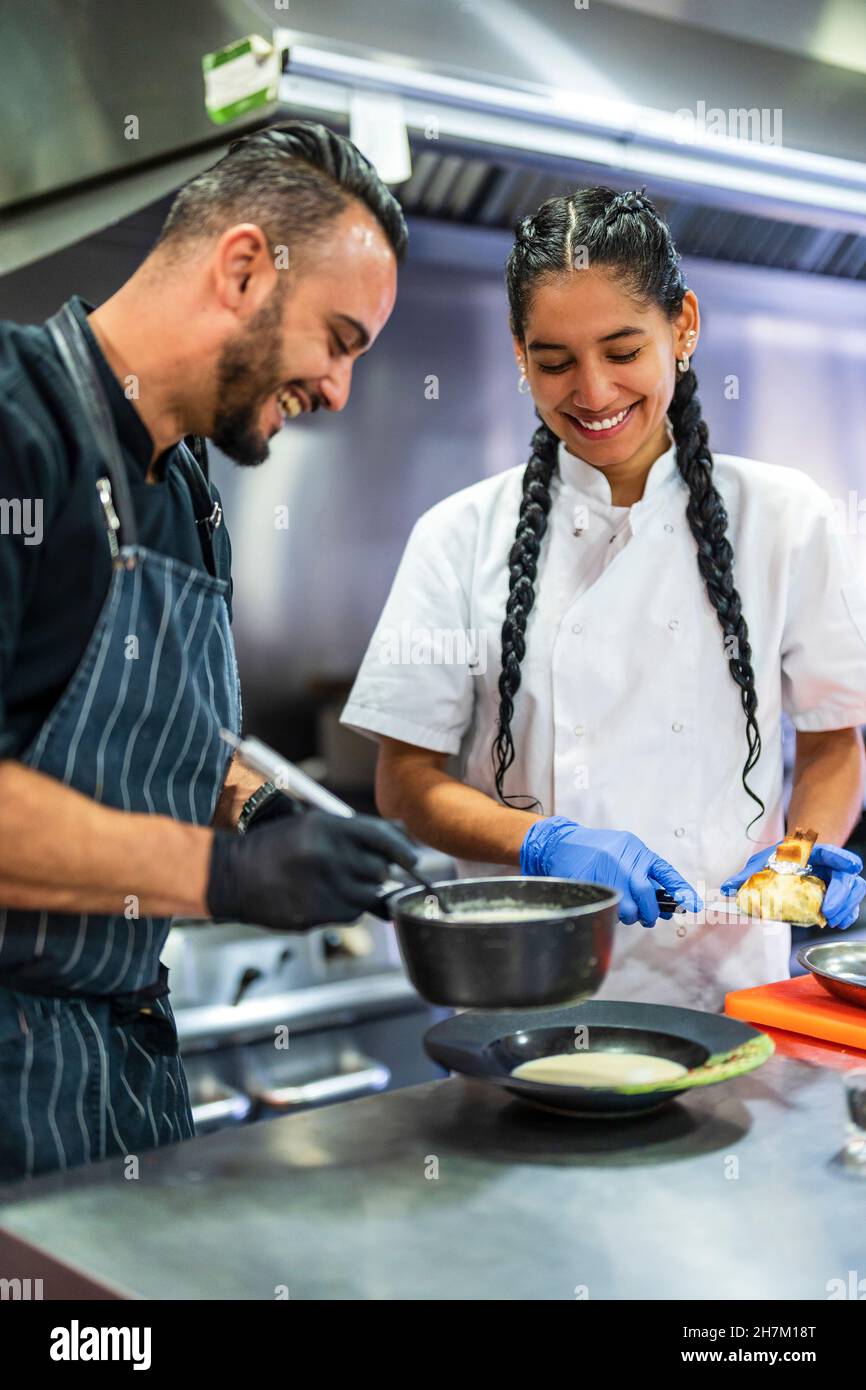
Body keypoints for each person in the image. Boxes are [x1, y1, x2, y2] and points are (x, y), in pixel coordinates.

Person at [0, 121, 418, 1180]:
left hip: (122, 1068)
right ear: (242, 268)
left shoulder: (189, 490)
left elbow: (152, 729)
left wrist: (254, 807)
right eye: (339, 338)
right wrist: (225, 874)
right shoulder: (16, 426)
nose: (336, 390)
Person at [342, 186, 866, 1010]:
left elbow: (835, 743)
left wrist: (800, 854)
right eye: (553, 361)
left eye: (623, 350)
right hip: (519, 992)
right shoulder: (457, 535)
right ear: (519, 355)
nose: (591, 391)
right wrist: (541, 841)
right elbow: (405, 782)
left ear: (683, 326)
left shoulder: (785, 518)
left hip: (727, 992)